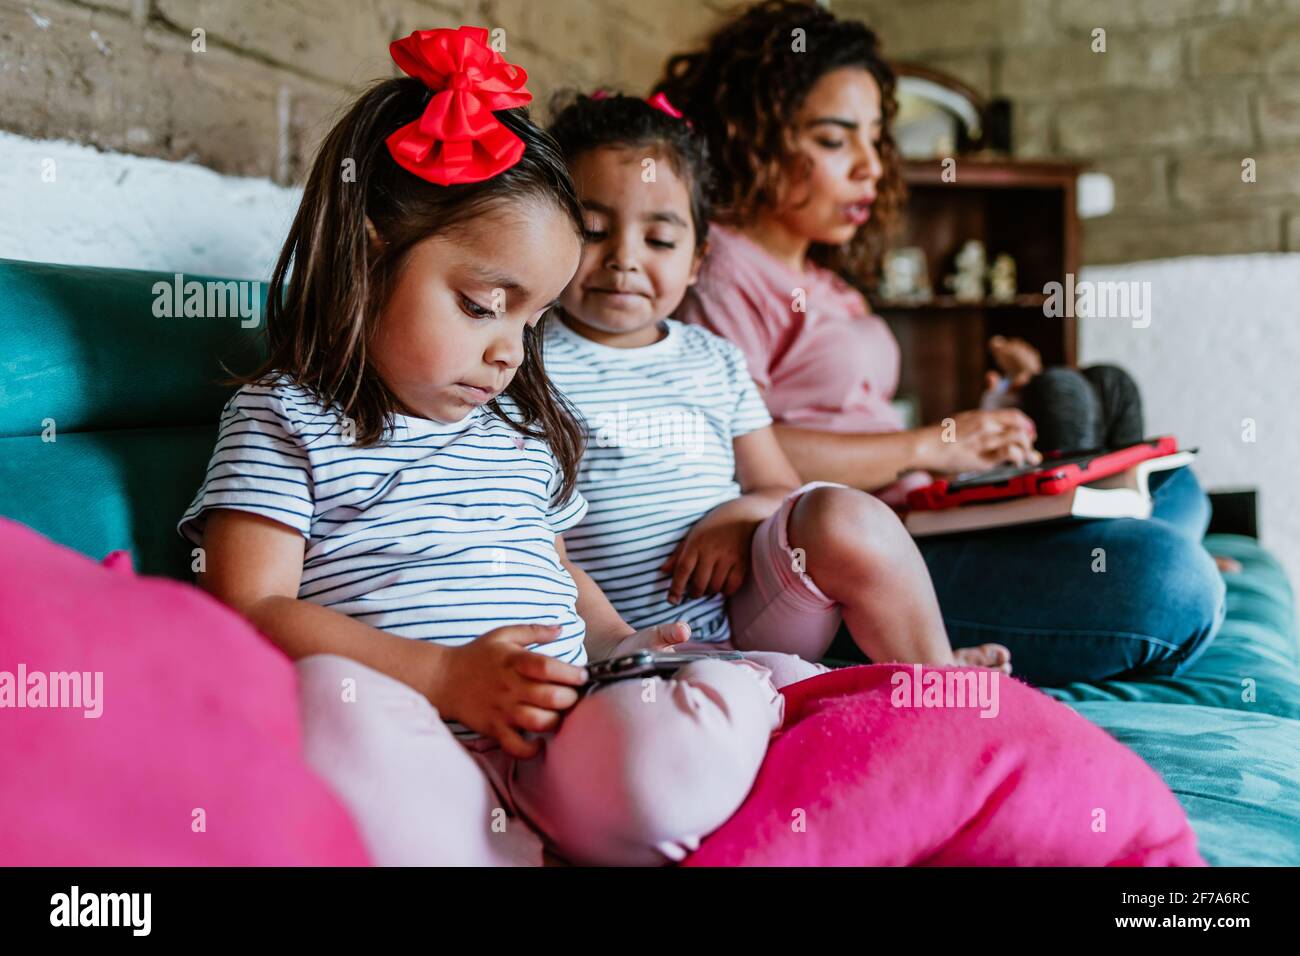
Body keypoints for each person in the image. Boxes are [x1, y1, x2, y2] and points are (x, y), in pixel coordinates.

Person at [176, 27, 801, 867]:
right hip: (409, 736)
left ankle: (626, 792)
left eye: (532, 320)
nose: (511, 351)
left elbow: (553, 567)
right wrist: (441, 677)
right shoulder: (284, 415)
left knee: (683, 733)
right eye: (482, 305)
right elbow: (248, 608)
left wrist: (620, 643)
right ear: (369, 258)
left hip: (557, 737)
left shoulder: (514, 428)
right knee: (328, 704)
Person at [658, 0, 1225, 686]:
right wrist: (931, 444)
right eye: (836, 140)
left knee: (1177, 486)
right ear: (751, 138)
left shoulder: (827, 280)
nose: (870, 165)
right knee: (1172, 584)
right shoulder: (715, 267)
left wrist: (985, 423)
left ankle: (1123, 536)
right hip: (873, 561)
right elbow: (734, 445)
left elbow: (862, 422)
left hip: (927, 508)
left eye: (875, 138)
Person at [543, 89, 1010, 673]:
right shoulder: (527, 362)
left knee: (839, 513)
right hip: (608, 639)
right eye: (591, 230)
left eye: (659, 239)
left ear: (696, 259)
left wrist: (739, 518)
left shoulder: (714, 359)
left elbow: (777, 486)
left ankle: (935, 669)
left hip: (742, 617)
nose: (625, 259)